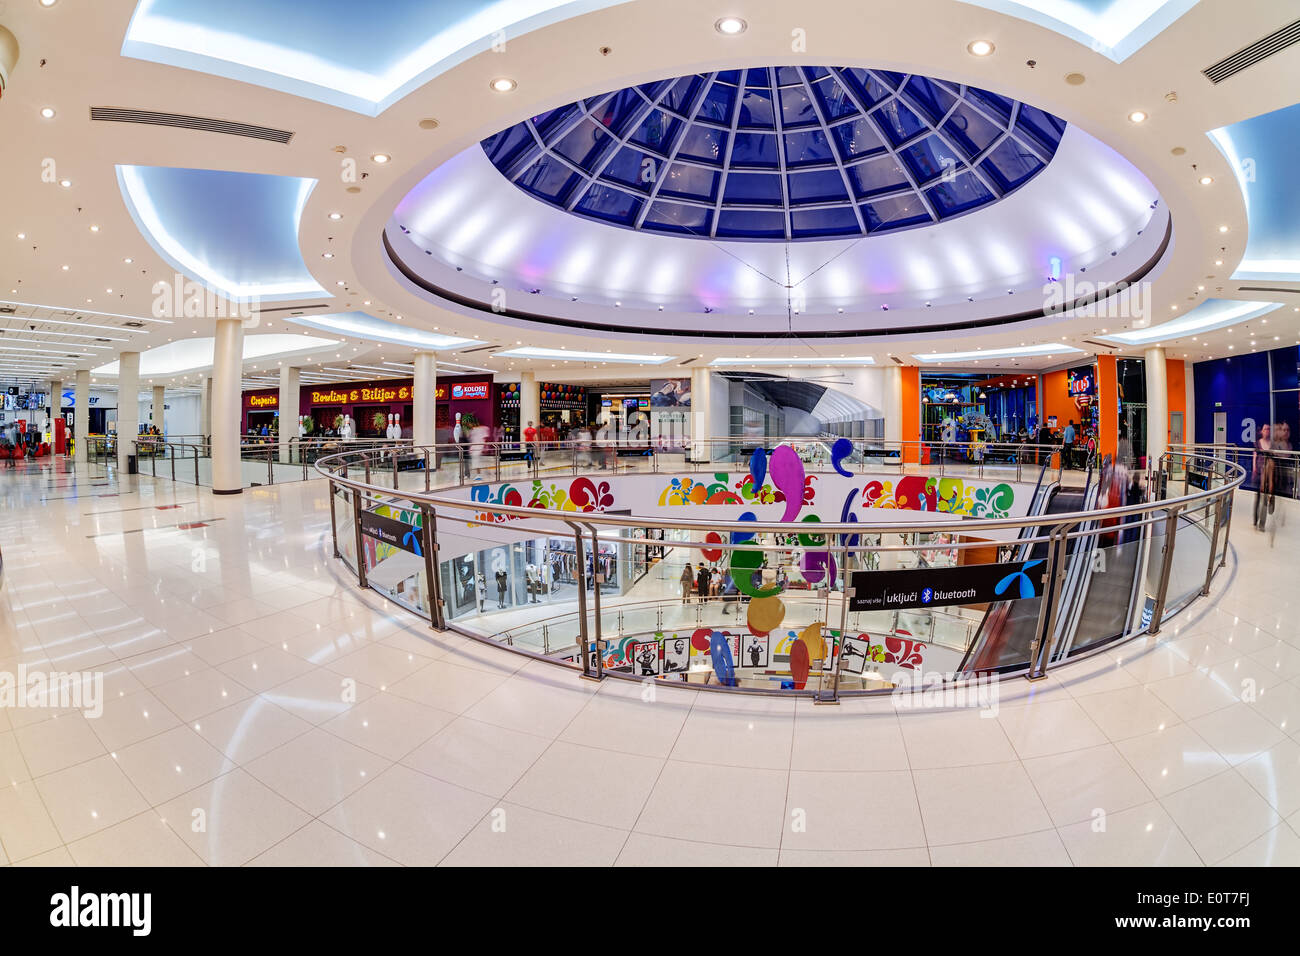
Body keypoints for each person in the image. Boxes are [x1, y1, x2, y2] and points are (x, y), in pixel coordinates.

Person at [1254, 423, 1273, 531]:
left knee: (1264, 498)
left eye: (1269, 429)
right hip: (1258, 474)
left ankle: (1262, 524)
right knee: (1258, 498)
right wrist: (1254, 469)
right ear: (1262, 431)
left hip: (1267, 475)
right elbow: (1254, 456)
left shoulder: (1272, 444)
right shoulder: (1258, 443)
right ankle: (1255, 519)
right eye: (1265, 429)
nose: (1267, 431)